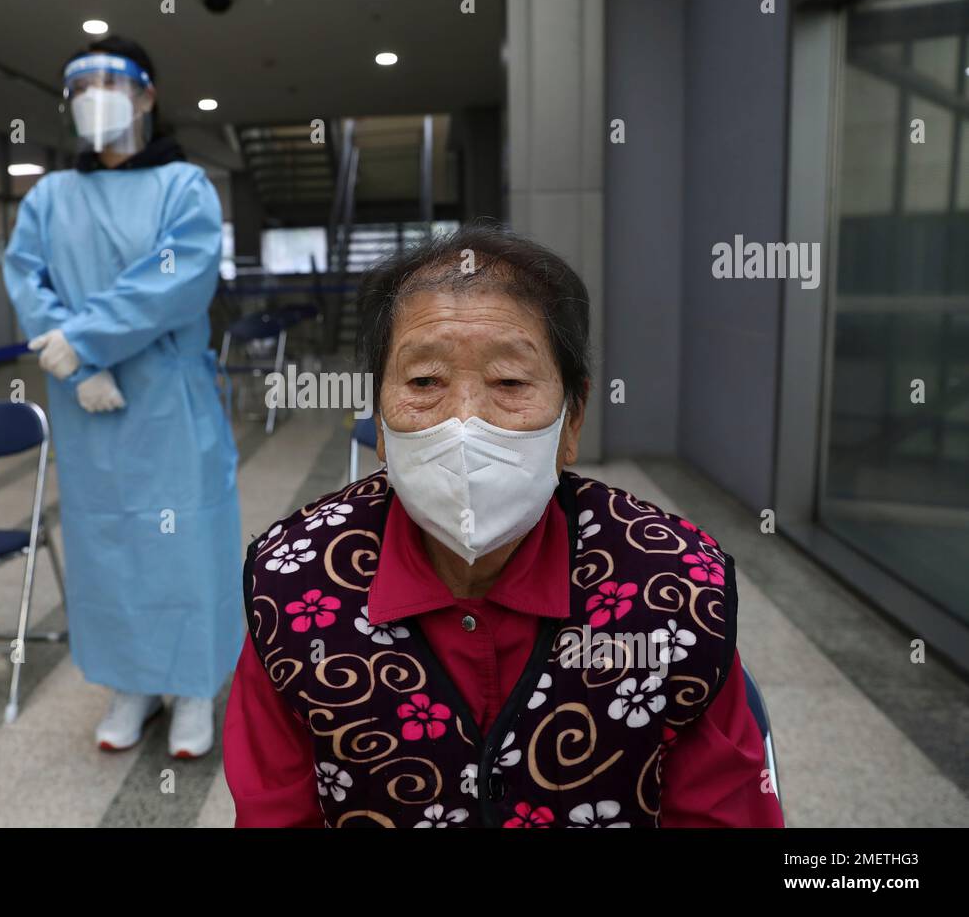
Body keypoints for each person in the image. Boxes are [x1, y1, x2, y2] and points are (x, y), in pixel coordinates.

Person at [223, 224, 785, 827]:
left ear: (573, 420)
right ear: (380, 423)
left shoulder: (675, 590)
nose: (465, 422)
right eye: (423, 382)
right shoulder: (293, 588)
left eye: (511, 382)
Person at [2, 36, 242, 758]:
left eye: (108, 83)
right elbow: (25, 278)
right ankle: (131, 683)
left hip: (168, 397)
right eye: (76, 87)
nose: (91, 98)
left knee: (185, 539)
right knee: (107, 542)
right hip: (89, 410)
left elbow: (181, 278)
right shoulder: (49, 197)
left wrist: (92, 341)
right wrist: (77, 366)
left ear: (146, 96)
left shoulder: (184, 188)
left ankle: (196, 688)